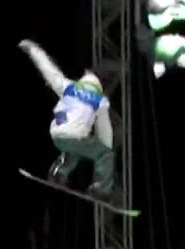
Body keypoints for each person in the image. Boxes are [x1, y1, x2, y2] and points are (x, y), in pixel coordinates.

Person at [17, 39, 115, 197]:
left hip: (57, 133)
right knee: (102, 151)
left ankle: (58, 174)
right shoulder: (100, 100)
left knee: (75, 144)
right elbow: (105, 130)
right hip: (75, 135)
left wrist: (33, 49)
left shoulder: (69, 87)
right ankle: (100, 189)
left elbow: (49, 70)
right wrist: (105, 149)